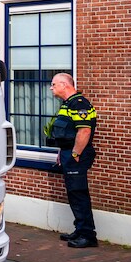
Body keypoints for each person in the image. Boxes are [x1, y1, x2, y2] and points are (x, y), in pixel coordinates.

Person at [46, 73, 99, 248]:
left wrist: (75, 154)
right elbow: (66, 132)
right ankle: (80, 229)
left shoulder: (79, 104)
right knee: (74, 194)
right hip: (69, 153)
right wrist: (63, 152)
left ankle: (88, 236)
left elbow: (84, 131)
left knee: (79, 193)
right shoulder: (67, 104)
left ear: (63, 85)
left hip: (77, 155)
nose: (51, 88)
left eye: (54, 84)